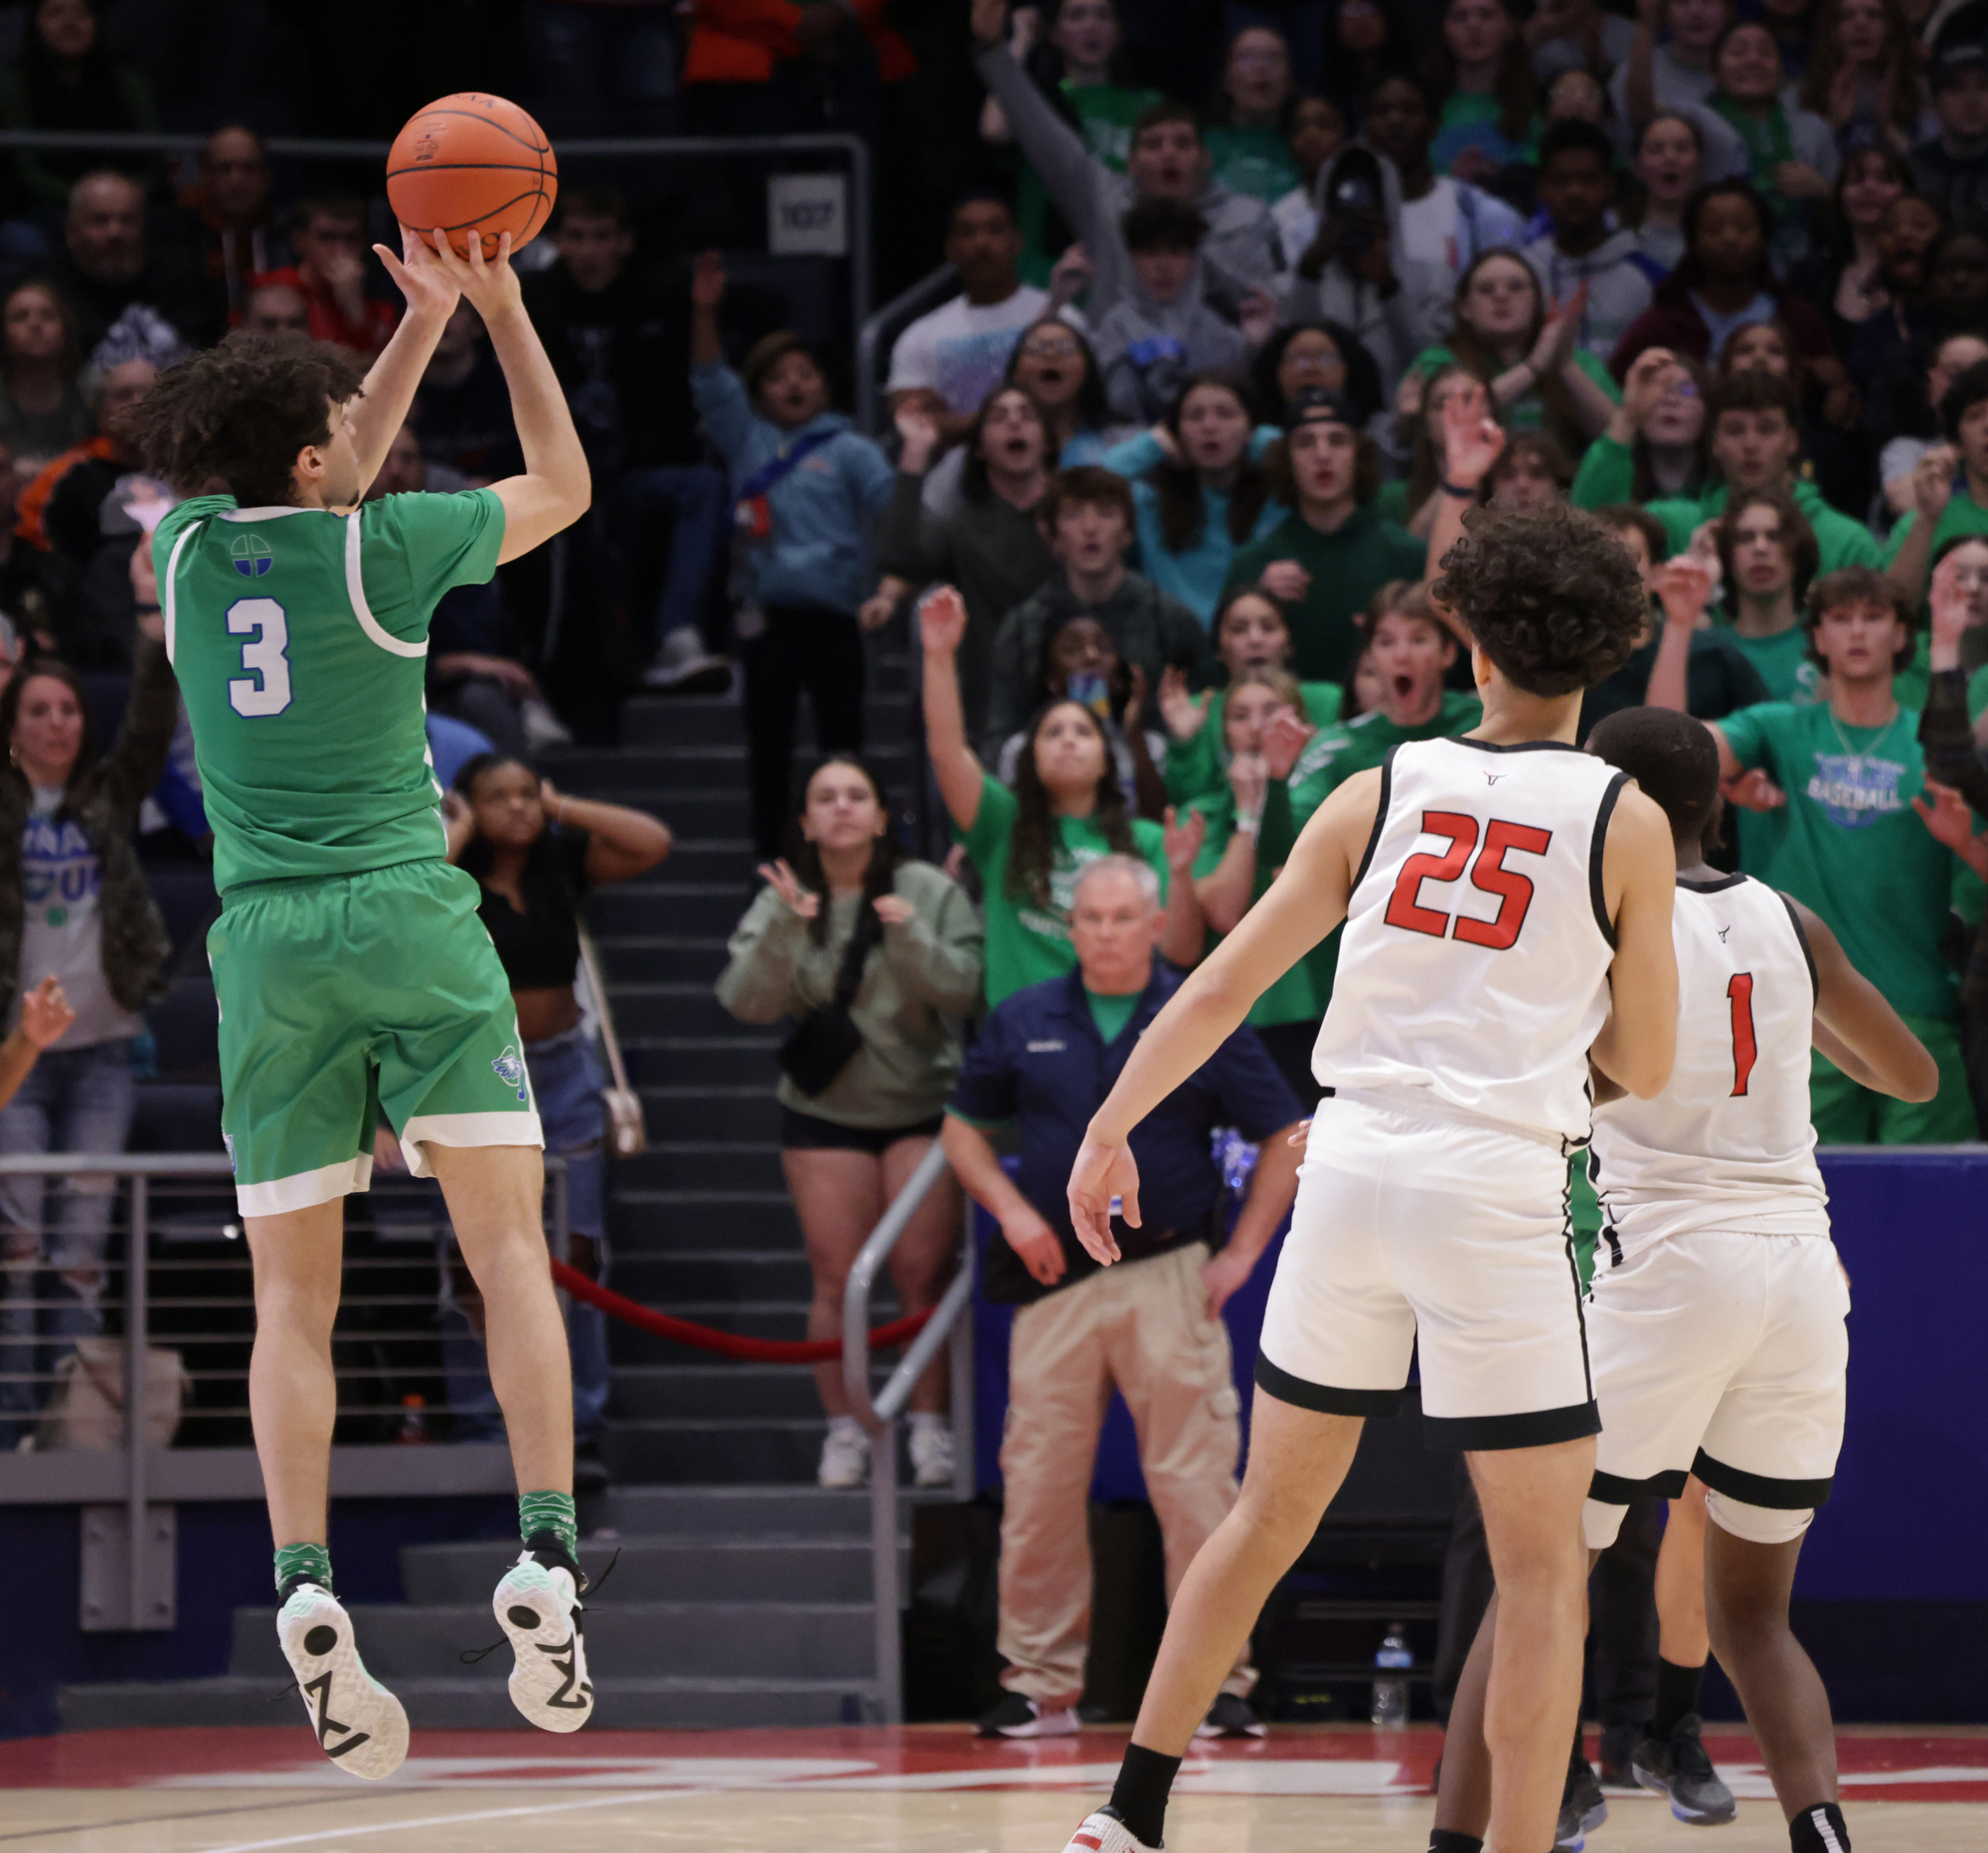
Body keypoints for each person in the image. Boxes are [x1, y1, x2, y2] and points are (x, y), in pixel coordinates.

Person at [1051, 498, 1677, 1853]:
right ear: (1612, 652)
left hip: (1349, 1168)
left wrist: (1111, 1126)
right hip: (1500, 1184)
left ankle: (1128, 1811)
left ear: (1464, 640)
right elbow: (1648, 1055)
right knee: (1540, 1571)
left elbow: (1221, 981)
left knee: (1267, 1514)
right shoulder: (1623, 816)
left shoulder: (1375, 788)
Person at [134, 224, 596, 1771]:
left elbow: (311, 471)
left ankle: (303, 1582)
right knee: (506, 1248)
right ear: (324, 455)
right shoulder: (385, 551)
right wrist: (502, 315)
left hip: (263, 940)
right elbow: (563, 486)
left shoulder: (185, 552)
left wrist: (397, 343)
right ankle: (544, 1549)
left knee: (292, 1302)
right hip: (408, 918)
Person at [1435, 703, 1936, 1853]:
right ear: (1718, 801)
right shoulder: (1790, 921)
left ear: (1611, 808)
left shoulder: (1601, 924)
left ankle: (1456, 1843)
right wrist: (1794, 1026)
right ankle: (1820, 1829)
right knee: (1753, 1615)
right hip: (1799, 1278)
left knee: (1530, 1590)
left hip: (1661, 1269)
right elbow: (1908, 1076)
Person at [942, 853, 1304, 1741]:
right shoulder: (1024, 1016)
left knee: (1197, 1488)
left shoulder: (1197, 1010)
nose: (1105, 931)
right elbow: (961, 1131)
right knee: (1037, 1487)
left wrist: (1242, 1255)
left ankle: (1221, 1682)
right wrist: (1015, 1216)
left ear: (1152, 923)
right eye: (1090, 917)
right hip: (1056, 1279)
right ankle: (1039, 1684)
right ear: (1072, 929)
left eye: (1121, 917)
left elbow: (1285, 1138)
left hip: (1169, 1273)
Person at [718, 756, 978, 1491]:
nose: (840, 808)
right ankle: (845, 1433)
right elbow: (742, 999)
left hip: (921, 1108)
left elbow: (965, 990)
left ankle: (931, 1430)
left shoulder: (926, 887)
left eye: (855, 795)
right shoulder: (787, 894)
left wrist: (912, 937)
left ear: (881, 813)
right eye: (824, 797)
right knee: (835, 1278)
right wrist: (784, 933)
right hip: (823, 1112)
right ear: (804, 820)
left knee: (919, 1277)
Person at [1670, 567, 1978, 1141]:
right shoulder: (1777, 728)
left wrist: (1963, 840)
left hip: (1917, 1004)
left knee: (1936, 1215)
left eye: (1873, 616)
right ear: (1817, 637)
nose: (1857, 632)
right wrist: (1680, 627)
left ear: (1901, 635)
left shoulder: (1936, 744)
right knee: (1811, 1205)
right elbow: (1670, 750)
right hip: (1801, 1019)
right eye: (1840, 618)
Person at [441, 754, 671, 1476]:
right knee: (476, 1260)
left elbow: (652, 841)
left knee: (577, 1253)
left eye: (524, 794)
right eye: (496, 798)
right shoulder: (450, 877)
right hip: (474, 1078)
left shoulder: (561, 865)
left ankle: (579, 1417)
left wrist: (561, 803)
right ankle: (484, 1420)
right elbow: (407, 900)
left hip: (566, 1074)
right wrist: (457, 829)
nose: (515, 808)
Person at [0, 627, 175, 1446]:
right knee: (19, 1242)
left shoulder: (105, 798)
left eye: (69, 708)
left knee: (77, 1253)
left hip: (102, 1051)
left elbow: (147, 729)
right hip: (17, 1059)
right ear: (13, 727)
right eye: (39, 710)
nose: (59, 723)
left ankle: (66, 1431)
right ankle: (12, 1426)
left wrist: (152, 637)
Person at [689, 252, 895, 860]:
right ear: (759, 391)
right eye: (779, 376)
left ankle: (858, 855)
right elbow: (708, 379)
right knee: (768, 749)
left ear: (825, 384)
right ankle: (772, 861)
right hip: (769, 622)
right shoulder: (746, 437)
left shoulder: (852, 448)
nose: (795, 384)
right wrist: (704, 310)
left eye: (805, 373)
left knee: (844, 744)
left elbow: (895, 508)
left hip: (837, 620)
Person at [919, 584, 1204, 1005]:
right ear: (1030, 757)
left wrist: (1180, 874)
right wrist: (939, 655)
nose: (1068, 741)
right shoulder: (1002, 824)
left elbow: (1181, 951)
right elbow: (946, 752)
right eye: (1053, 733)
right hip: (1023, 1041)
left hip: (1121, 1038)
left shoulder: (1145, 840)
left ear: (1107, 760)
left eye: (1083, 732)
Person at [521, 186, 724, 695]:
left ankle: (678, 634)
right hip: (559, 476)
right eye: (576, 237)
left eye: (601, 238)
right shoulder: (535, 299)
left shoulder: (663, 292)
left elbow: (706, 378)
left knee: (702, 487)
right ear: (558, 242)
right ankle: (539, 676)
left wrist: (704, 312)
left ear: (624, 242)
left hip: (640, 471)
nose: (588, 251)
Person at [970, 0, 1282, 319]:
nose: (1168, 154)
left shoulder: (1245, 218)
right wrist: (995, 49)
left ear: (1205, 159)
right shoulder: (1106, 199)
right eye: (1153, 145)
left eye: (1182, 143)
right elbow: (1041, 134)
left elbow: (1264, 315)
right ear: (1131, 163)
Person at [983, 464, 1205, 754]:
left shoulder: (1170, 620)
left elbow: (1204, 720)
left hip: (1155, 780)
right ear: (1054, 537)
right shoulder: (1025, 627)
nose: (1090, 528)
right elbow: (1001, 736)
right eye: (1073, 515)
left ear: (1127, 533)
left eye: (1106, 514)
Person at [1576, 366, 1881, 574]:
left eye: (1766, 430)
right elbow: (1588, 533)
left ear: (1792, 441)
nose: (1750, 444)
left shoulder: (1848, 542)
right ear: (1715, 443)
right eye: (1735, 431)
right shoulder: (1673, 526)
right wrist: (1628, 418)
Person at [880, 386, 1055, 742]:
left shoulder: (1077, 518)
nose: (1014, 424)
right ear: (978, 447)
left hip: (1072, 704)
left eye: (1027, 415)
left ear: (1048, 442)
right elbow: (899, 556)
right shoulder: (963, 526)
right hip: (990, 712)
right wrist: (915, 453)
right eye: (998, 417)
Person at [1218, 388, 1427, 683]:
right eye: (1305, 443)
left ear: (1360, 453)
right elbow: (1218, 670)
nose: (1322, 455)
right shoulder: (1253, 564)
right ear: (1286, 459)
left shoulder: (1407, 556)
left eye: (1337, 440)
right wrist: (1258, 602)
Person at [976, 0, 1163, 288]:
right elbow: (994, 129)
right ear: (1055, 34)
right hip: (1047, 273)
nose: (1091, 26)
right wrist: (1022, 39)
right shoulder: (1039, 101)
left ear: (1118, 32)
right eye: (1077, 16)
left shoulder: (1148, 106)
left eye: (1103, 16)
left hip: (1127, 271)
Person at [1359, 71, 1528, 360]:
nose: (1395, 120)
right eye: (1382, 110)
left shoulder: (1485, 217)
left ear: (1434, 125)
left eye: (1410, 110)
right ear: (1365, 128)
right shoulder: (1348, 218)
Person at [1610, 178, 1843, 382]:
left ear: (1764, 237)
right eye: (1714, 229)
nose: (1730, 238)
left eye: (1743, 228)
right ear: (1693, 241)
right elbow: (1619, 382)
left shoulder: (1797, 319)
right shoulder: (1663, 323)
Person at [1403, 250, 1620, 460]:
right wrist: (1532, 368)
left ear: (1537, 303)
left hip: (1560, 491)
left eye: (1516, 287)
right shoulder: (1439, 361)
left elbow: (1620, 435)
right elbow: (1448, 422)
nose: (1501, 295)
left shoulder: (1576, 362)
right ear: (1464, 308)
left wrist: (1565, 367)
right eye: (1486, 289)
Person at [1100, 372, 1280, 623]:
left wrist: (1260, 442)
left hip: (1253, 643)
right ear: (1177, 433)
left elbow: (1304, 461)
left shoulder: (1278, 499)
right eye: (1195, 416)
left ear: (1250, 428)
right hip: (1176, 648)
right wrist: (1154, 443)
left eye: (1226, 414)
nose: (1209, 426)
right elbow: (1087, 483)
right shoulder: (1150, 502)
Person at [1156, 586, 1344, 803]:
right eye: (1239, 630)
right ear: (1219, 649)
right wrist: (1187, 745)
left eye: (1268, 627)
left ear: (1289, 643)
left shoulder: (1327, 700)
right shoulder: (1196, 710)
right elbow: (1189, 811)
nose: (1255, 639)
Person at [886, 194, 1050, 440]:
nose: (981, 242)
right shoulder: (919, 336)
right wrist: (1006, 425)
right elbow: (913, 422)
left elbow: (1068, 411)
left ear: (1017, 242)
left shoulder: (1057, 318)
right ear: (950, 249)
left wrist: (958, 422)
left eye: (995, 230)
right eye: (967, 232)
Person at [1592, 508, 1772, 732]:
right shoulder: (1573, 669)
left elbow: (1767, 737)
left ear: (1657, 573)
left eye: (1628, 557)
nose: (1614, 570)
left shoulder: (1713, 656)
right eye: (1602, 558)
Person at [1092, 199, 1253, 427]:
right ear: (1131, 260)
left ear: (1195, 260)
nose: (1163, 266)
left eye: (1176, 252)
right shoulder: (1112, 330)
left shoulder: (1224, 336)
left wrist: (1255, 348)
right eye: (1151, 253)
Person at [995, 612, 1169, 814]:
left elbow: (1159, 825)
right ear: (1052, 681)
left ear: (1118, 681)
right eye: (1072, 650)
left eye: (1103, 648)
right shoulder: (1021, 750)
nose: (1091, 656)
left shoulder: (1151, 746)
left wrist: (1135, 739)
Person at [1524, 119, 1666, 363]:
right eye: (1560, 181)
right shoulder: (1523, 273)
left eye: (1588, 180)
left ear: (1610, 185)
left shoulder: (1648, 276)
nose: (1574, 192)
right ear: (1542, 188)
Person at [1703, 20, 1840, 267]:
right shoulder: (1700, 127)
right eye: (1738, 52)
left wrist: (1822, 190)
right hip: (1718, 264)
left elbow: (1846, 212)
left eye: (1766, 53)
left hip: (1800, 265)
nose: (1753, 60)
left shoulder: (1813, 128)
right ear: (1715, 70)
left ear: (1780, 68)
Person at [46, 170, 222, 357]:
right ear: (72, 231)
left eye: (127, 220)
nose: (115, 232)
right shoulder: (49, 292)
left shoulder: (186, 281)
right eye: (100, 220)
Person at [0, 0, 156, 208]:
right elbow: (24, 170)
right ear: (34, 24)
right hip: (43, 205)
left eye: (81, 14)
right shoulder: (12, 83)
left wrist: (129, 193)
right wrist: (88, 199)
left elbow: (156, 158)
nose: (70, 23)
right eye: (55, 14)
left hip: (126, 204)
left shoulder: (126, 80)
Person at [1883, 357, 1988, 606]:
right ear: (1957, 442)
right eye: (1975, 416)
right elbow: (1893, 614)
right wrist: (1928, 519)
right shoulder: (1922, 522)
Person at [1713, 485, 1826, 701]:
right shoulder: (1710, 652)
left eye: (1774, 536)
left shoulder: (1826, 645)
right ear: (1727, 557)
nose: (1760, 548)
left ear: (1798, 555)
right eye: (1746, 538)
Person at [1430, 0, 1542, 195]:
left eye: (1486, 15)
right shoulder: (1425, 104)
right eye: (1460, 17)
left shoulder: (1538, 104)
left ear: (1509, 27)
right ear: (1444, 30)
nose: (1473, 26)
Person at [1875, 328, 1988, 518]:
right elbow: (1903, 502)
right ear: (1931, 382)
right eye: (1955, 373)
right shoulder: (1906, 450)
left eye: (1980, 372)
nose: (1968, 384)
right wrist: (1962, 449)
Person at [184, 125, 285, 322]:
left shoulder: (289, 233)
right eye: (224, 168)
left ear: (266, 177)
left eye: (248, 168)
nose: (237, 180)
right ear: (204, 175)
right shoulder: (180, 235)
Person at [1204, 24, 1303, 203]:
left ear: (1291, 81)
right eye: (1246, 58)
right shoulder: (1201, 149)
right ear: (1226, 79)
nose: (1260, 67)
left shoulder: (1306, 151)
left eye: (1273, 59)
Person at [1908, 6, 1988, 225]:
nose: (1972, 99)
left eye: (1983, 86)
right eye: (1956, 88)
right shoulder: (1914, 170)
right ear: (1934, 104)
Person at [0, 278, 88, 474]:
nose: (34, 324)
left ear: (66, 330)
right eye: (20, 317)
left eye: (48, 316)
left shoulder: (91, 396)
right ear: (4, 334)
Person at [1626, 110, 1709, 274]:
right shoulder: (1615, 229)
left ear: (1699, 164)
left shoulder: (1714, 234)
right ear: (1638, 167)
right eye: (1656, 150)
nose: (1670, 158)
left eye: (1682, 149)